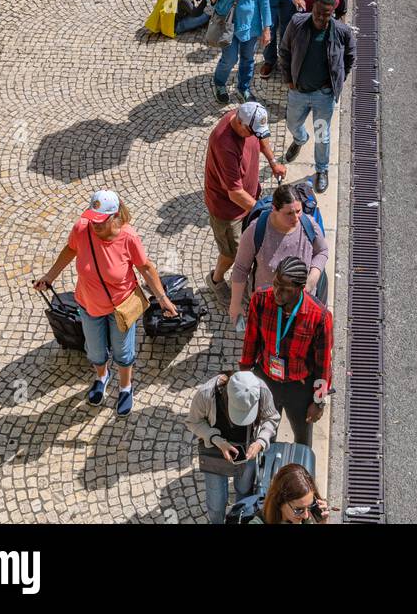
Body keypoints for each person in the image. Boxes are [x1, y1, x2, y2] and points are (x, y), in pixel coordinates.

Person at [32, 190, 177, 416]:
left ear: (114, 216)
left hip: (121, 308)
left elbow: (146, 268)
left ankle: (125, 387)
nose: (95, 226)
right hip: (88, 305)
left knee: (123, 352)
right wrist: (50, 276)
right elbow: (70, 249)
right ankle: (102, 376)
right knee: (96, 351)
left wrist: (162, 298)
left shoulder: (128, 238)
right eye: (93, 220)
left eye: (100, 222)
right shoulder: (82, 229)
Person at [240, 258, 333, 446]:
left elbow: (323, 366)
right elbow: (251, 341)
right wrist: (243, 377)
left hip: (300, 388)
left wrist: (318, 402)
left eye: (285, 289)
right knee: (265, 436)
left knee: (302, 438)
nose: (277, 293)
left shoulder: (319, 317)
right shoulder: (260, 300)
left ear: (300, 289)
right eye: (276, 284)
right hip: (266, 379)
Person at [204, 101, 286, 309]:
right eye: (252, 132)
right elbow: (234, 193)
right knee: (230, 253)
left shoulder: (248, 121)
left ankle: (246, 281)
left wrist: (273, 162)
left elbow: (261, 139)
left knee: (250, 247)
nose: (255, 136)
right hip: (228, 210)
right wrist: (266, 212)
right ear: (240, 123)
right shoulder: (223, 144)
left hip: (250, 200)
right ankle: (215, 280)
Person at [280, 0, 356, 194]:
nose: (321, 18)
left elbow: (349, 58)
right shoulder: (297, 23)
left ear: (332, 13)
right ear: (312, 8)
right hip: (298, 92)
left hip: (324, 96)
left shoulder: (342, 32)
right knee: (293, 123)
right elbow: (284, 50)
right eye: (318, 12)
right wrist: (288, 79)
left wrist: (338, 82)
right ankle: (299, 139)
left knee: (322, 135)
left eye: (327, 14)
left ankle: (321, 170)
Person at [186, 370, 280, 525]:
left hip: (248, 450)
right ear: (226, 395)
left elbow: (271, 417)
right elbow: (193, 422)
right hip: (215, 451)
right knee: (216, 503)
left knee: (244, 492)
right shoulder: (206, 394)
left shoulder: (261, 390)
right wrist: (216, 440)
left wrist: (260, 442)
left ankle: (240, 519)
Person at [230, 184, 330, 325]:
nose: (296, 218)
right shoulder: (256, 231)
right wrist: (235, 305)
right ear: (274, 209)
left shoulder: (308, 224)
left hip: (302, 303)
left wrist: (311, 281)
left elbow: (322, 251)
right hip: (267, 305)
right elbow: (241, 268)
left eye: (298, 211)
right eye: (289, 213)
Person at [209, 0, 272, 103]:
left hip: (251, 26)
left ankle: (243, 88)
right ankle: (219, 83)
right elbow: (211, 2)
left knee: (248, 59)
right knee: (229, 59)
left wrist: (266, 28)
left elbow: (264, 0)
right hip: (227, 27)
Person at [249, 463, 329, 525]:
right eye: (298, 510)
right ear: (280, 501)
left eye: (310, 506)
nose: (306, 516)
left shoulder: (308, 516)